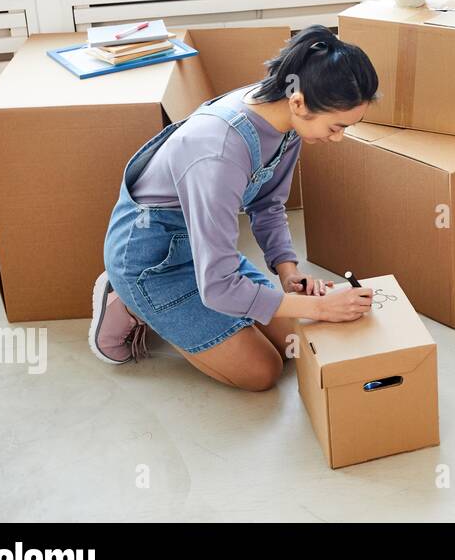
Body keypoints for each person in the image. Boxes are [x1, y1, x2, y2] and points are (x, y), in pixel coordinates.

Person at [89, 25, 379, 391]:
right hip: (152, 266)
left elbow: (269, 203)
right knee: (262, 372)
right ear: (300, 102)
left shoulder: (284, 119)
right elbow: (219, 289)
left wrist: (288, 275)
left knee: (292, 342)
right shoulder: (219, 150)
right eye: (337, 127)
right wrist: (320, 307)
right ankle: (128, 301)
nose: (338, 139)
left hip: (205, 251)